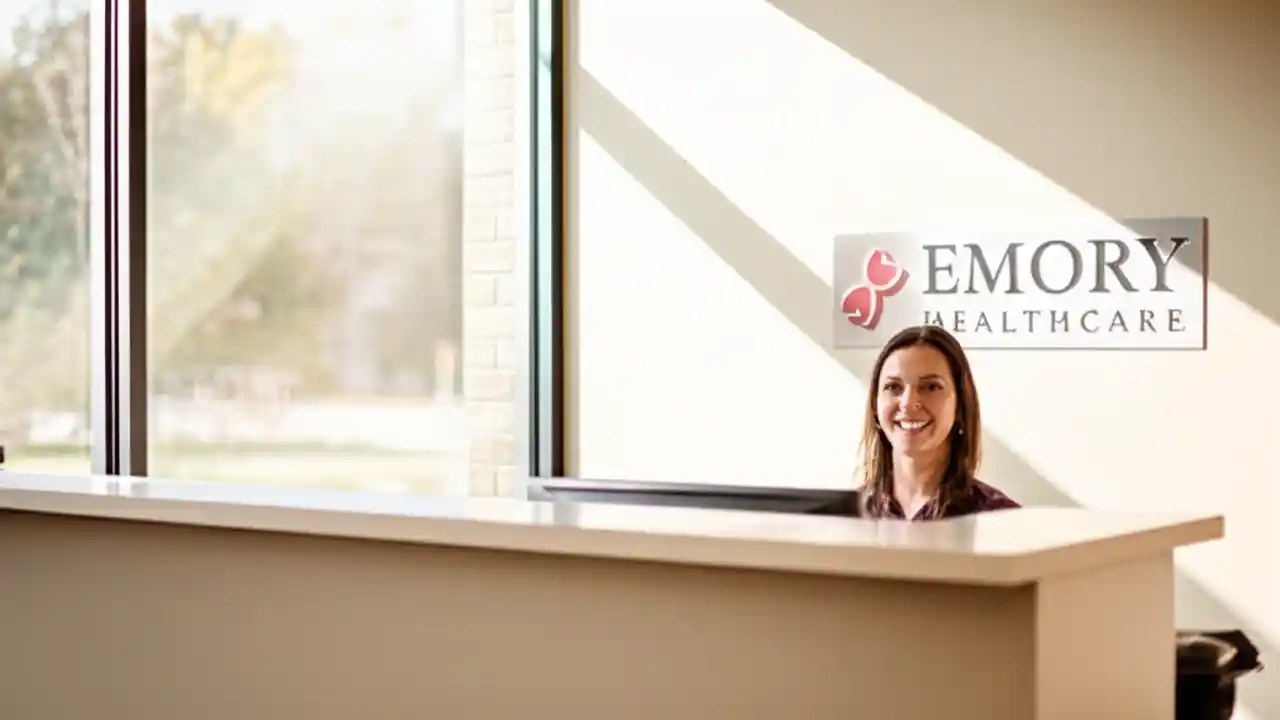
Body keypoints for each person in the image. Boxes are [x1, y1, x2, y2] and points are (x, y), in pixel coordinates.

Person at [856, 324, 1020, 521]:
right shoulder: (847, 517)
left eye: (931, 387)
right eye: (893, 387)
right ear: (875, 404)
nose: (908, 403)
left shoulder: (1003, 519)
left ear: (960, 404)